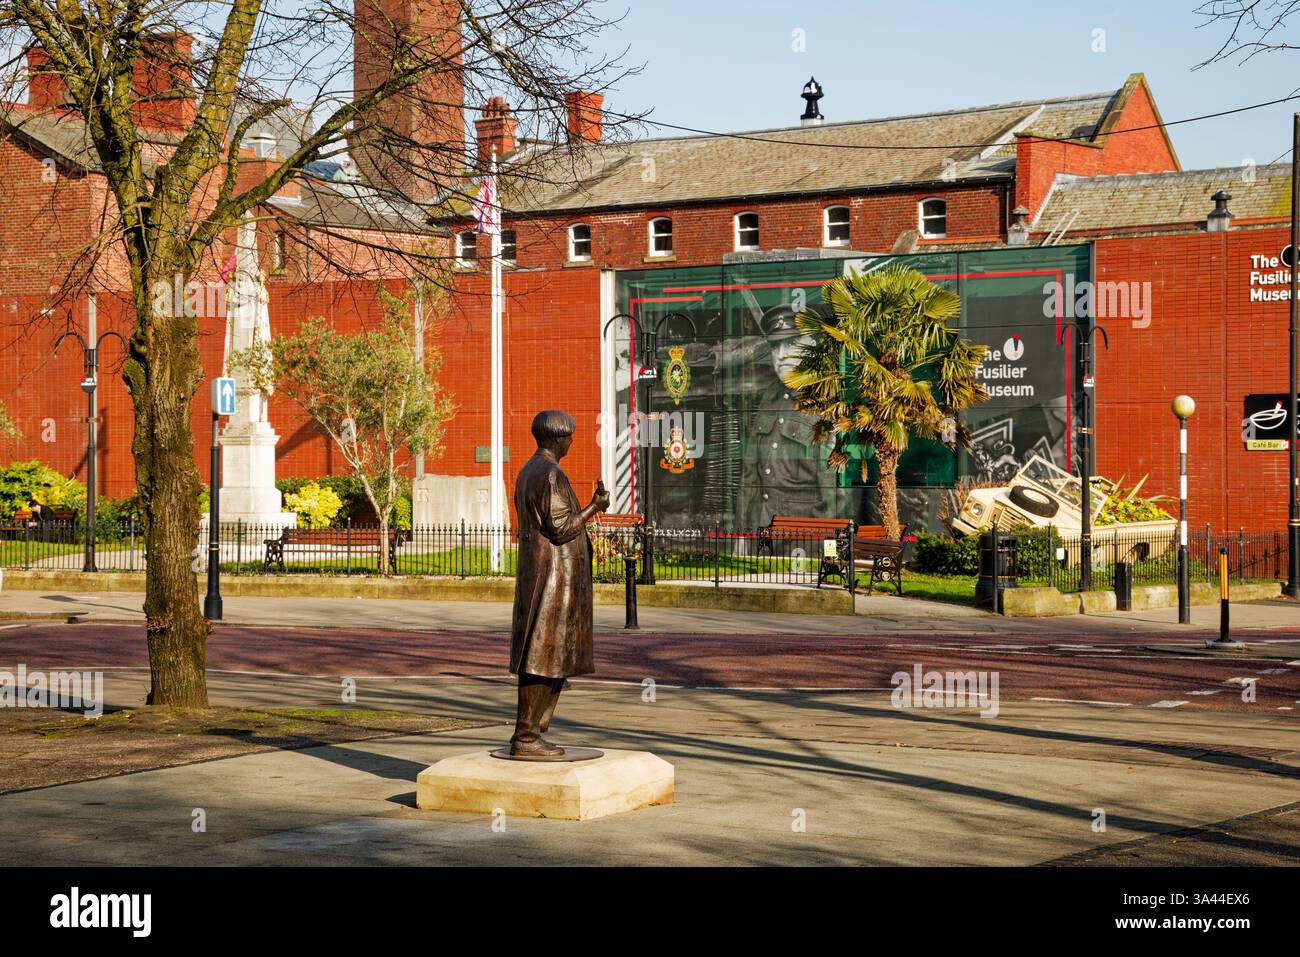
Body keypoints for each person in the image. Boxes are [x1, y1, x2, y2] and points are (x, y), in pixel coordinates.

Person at [509, 409, 610, 757]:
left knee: (547, 655)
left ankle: (534, 729)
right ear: (557, 437)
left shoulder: (530, 470)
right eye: (570, 436)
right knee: (542, 654)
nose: (572, 442)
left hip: (545, 575)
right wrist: (595, 507)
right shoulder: (549, 473)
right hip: (551, 578)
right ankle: (526, 736)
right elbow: (561, 527)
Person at [743, 304, 839, 528]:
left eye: (792, 343)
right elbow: (749, 478)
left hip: (803, 534)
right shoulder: (768, 398)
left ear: (813, 346)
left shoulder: (825, 402)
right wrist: (743, 534)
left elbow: (833, 491)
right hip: (764, 530)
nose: (782, 355)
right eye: (776, 346)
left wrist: (825, 546)